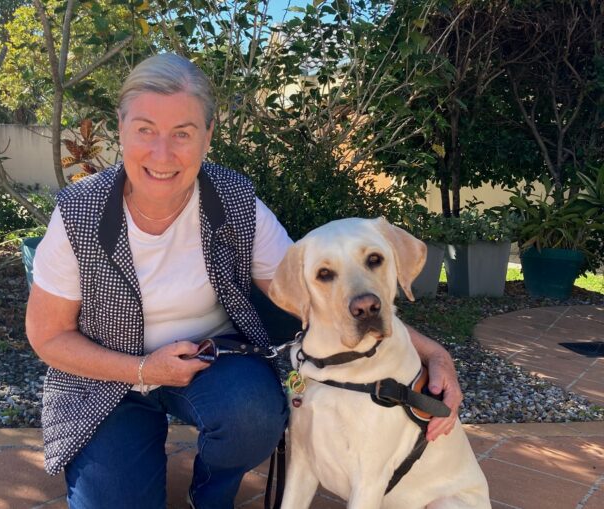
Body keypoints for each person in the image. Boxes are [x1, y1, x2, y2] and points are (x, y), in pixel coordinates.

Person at [25, 53, 463, 509]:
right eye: (145, 130)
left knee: (253, 412)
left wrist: (432, 354)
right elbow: (48, 335)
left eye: (183, 133)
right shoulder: (80, 212)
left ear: (208, 136)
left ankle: (209, 496)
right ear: (121, 128)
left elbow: (321, 295)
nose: (162, 153)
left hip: (209, 367)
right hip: (105, 379)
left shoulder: (234, 202)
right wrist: (144, 370)